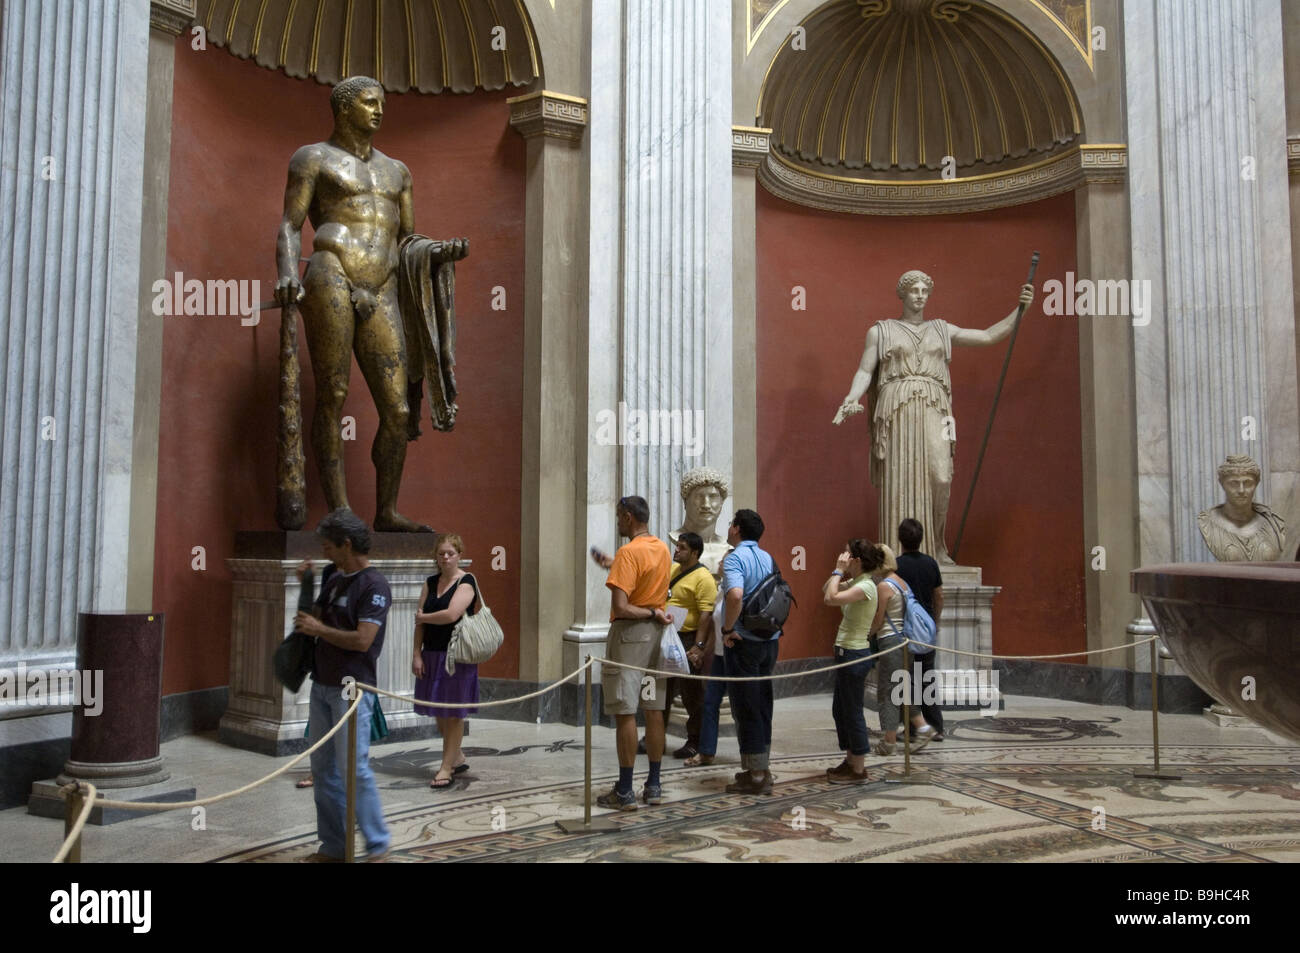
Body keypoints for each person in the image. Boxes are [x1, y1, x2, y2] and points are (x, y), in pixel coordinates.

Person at [274, 75, 468, 532]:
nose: (379, 110)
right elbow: (289, 225)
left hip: (382, 286)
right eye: (368, 103)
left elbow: (407, 242)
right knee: (334, 394)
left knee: (398, 410)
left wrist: (435, 253)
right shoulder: (313, 158)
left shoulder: (397, 171)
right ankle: (341, 508)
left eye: (382, 102)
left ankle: (385, 510)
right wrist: (286, 273)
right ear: (344, 109)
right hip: (330, 272)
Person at [832, 270, 1034, 563]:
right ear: (902, 294)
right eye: (913, 290)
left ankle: (936, 546)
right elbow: (865, 370)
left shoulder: (941, 329)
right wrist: (852, 397)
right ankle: (894, 552)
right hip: (897, 408)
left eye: (924, 290)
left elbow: (988, 336)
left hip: (935, 408)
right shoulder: (881, 331)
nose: (919, 295)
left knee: (941, 476)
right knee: (898, 477)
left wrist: (1020, 311)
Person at [293, 509, 392, 862]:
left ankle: (378, 845)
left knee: (355, 770)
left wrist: (320, 631)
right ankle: (334, 846)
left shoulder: (374, 585)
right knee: (323, 770)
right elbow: (315, 618)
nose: (324, 552)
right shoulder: (334, 575)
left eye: (328, 546)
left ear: (346, 544)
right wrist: (306, 584)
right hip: (322, 684)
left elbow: (364, 640)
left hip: (352, 690)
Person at [591, 496, 673, 810]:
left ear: (628, 517)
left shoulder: (628, 552)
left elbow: (622, 607)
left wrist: (650, 612)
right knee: (653, 709)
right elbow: (646, 576)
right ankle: (654, 784)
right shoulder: (661, 548)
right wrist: (614, 565)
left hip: (630, 639)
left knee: (625, 710)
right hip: (657, 639)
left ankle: (625, 789)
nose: (617, 523)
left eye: (618, 517)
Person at [412, 533, 480, 789]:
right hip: (431, 653)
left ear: (459, 555)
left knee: (453, 715)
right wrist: (416, 653)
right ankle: (457, 755)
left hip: (457, 657)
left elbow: (451, 614)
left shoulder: (467, 581)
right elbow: (418, 624)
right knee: (438, 711)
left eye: (451, 553)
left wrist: (424, 617)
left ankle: (445, 767)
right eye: (441, 553)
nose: (446, 557)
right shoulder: (430, 583)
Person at [720, 508, 780, 794]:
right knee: (763, 703)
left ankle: (755, 774)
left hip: (744, 642)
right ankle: (762, 766)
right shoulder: (767, 557)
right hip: (769, 640)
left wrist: (727, 628)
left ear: (737, 528)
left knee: (746, 706)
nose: (729, 527)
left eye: (731, 523)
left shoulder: (735, 559)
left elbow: (735, 595)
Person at [822, 539, 884, 783]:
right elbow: (826, 590)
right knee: (841, 710)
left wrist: (839, 570)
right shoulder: (857, 581)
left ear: (857, 560)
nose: (843, 555)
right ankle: (850, 760)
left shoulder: (866, 586)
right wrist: (838, 572)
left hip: (855, 654)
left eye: (847, 554)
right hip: (844, 652)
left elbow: (830, 599)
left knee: (853, 711)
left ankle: (858, 768)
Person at [869, 544, 935, 755]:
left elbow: (879, 620)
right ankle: (923, 727)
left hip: (890, 641)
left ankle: (888, 742)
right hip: (905, 641)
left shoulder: (884, 586)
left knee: (887, 692)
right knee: (901, 688)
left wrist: (867, 634)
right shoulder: (902, 583)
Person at [661, 532, 718, 761]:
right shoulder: (675, 570)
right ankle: (656, 736)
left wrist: (699, 646)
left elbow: (707, 614)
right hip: (669, 636)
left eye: (682, 548)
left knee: (691, 694)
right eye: (677, 547)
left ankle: (695, 740)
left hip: (688, 638)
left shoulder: (704, 578)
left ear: (695, 553)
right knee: (662, 690)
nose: (676, 551)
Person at [894, 518, 945, 740]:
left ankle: (912, 729)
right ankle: (936, 725)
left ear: (900, 540)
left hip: (905, 630)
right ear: (921, 539)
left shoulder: (897, 565)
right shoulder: (931, 563)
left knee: (906, 679)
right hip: (926, 629)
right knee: (927, 678)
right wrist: (935, 620)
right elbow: (939, 594)